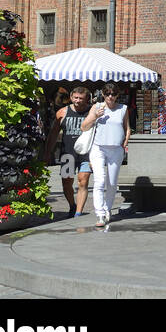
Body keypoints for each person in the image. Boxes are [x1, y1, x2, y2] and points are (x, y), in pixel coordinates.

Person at [81, 84, 131, 229]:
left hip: (116, 149)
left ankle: (108, 209)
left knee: (112, 182)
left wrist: (125, 141)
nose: (111, 96)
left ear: (117, 95)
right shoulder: (97, 107)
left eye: (114, 94)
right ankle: (100, 213)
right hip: (98, 148)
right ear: (103, 94)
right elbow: (84, 126)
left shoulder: (123, 108)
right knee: (99, 180)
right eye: (108, 93)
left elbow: (127, 127)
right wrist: (95, 116)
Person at [43, 85, 93, 216]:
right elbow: (53, 134)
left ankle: (78, 212)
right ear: (71, 97)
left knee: (83, 180)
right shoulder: (62, 113)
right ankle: (72, 205)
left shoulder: (92, 112)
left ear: (86, 99)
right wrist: (48, 152)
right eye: (75, 98)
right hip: (68, 153)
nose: (77, 101)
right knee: (66, 183)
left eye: (81, 98)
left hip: (86, 153)